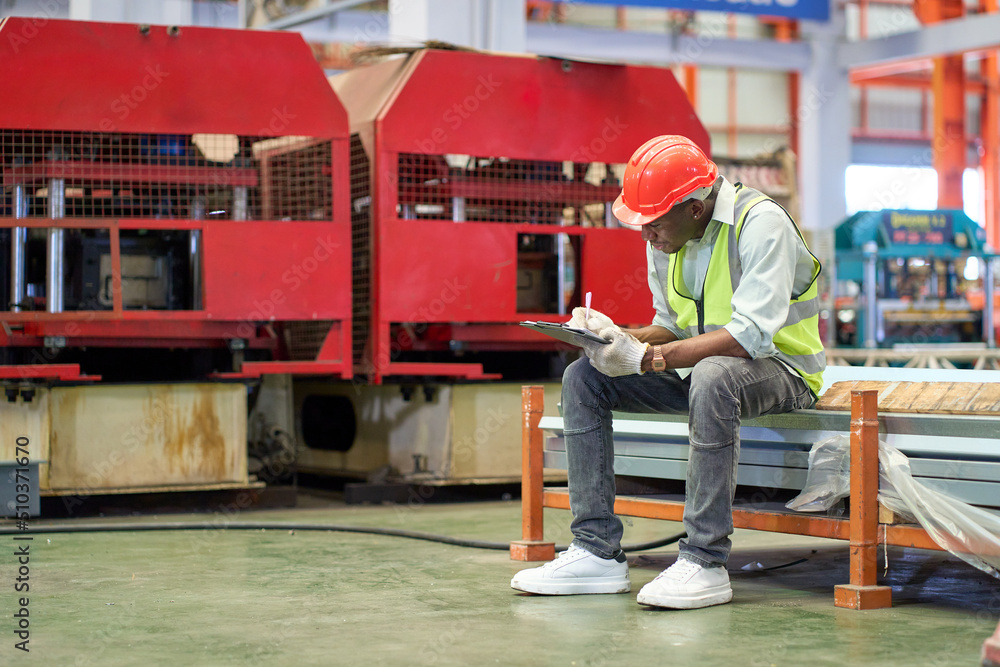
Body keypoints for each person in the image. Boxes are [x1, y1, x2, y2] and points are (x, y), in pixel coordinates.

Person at [510, 135, 825, 609]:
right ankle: (596, 551)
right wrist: (618, 338)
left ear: (695, 209)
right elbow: (670, 326)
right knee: (584, 377)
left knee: (715, 374)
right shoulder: (668, 235)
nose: (646, 236)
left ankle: (705, 559)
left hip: (783, 370)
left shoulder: (761, 224)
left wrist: (648, 359)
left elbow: (749, 338)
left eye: (653, 224)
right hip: (703, 373)